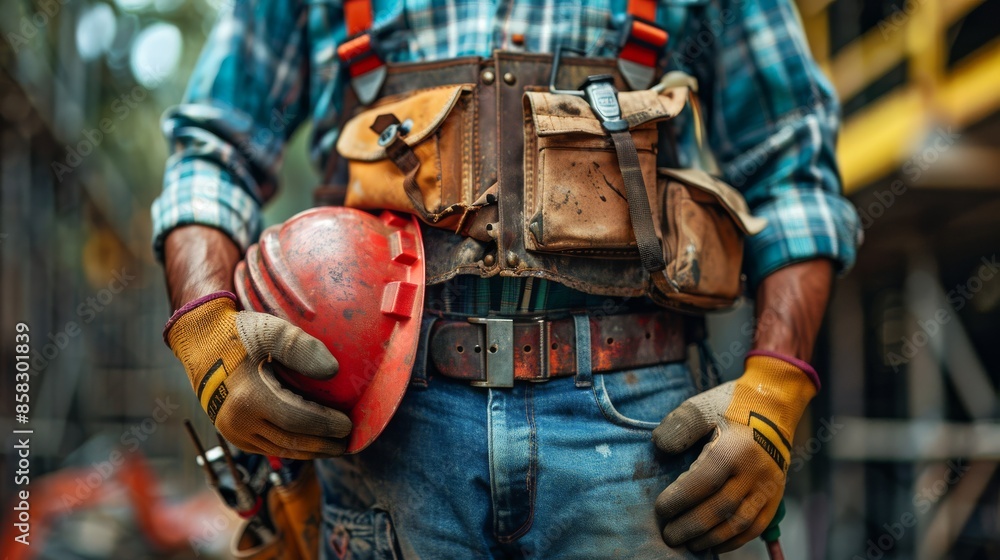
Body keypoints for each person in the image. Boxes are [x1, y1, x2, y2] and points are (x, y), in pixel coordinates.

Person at [153, 0, 861, 557]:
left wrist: (773, 394)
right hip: (379, 430)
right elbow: (215, 148)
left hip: (639, 433)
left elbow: (790, 172)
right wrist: (208, 331)